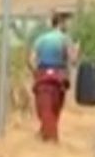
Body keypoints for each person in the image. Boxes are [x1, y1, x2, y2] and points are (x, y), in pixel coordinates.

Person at [27, 10, 79, 143]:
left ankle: (45, 134)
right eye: (66, 22)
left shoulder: (40, 39)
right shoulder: (65, 39)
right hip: (58, 76)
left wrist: (36, 73)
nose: (68, 25)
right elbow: (72, 60)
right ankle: (50, 138)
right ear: (60, 23)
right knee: (55, 108)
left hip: (42, 76)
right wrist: (77, 52)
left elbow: (31, 60)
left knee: (44, 109)